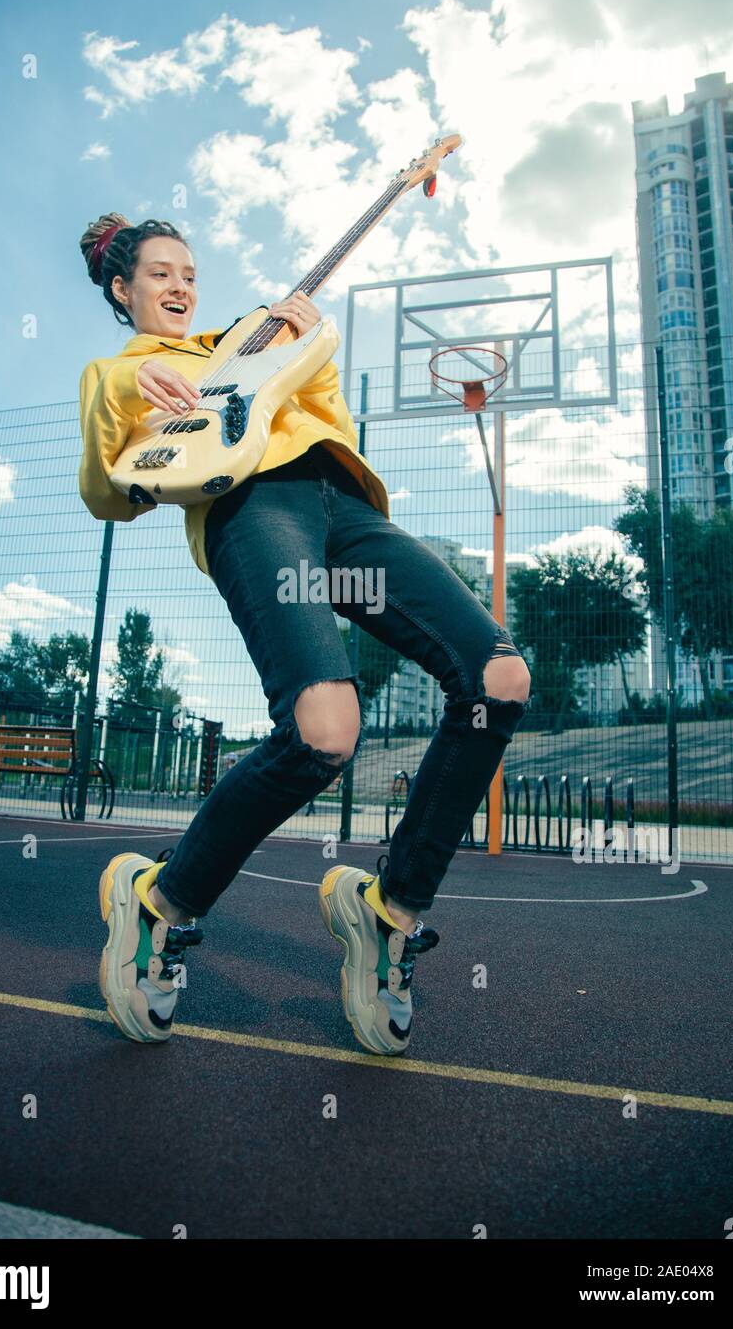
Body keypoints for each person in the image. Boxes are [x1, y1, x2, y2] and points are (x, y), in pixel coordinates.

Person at [79, 213, 532, 1057]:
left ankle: (390, 911)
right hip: (256, 514)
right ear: (123, 288)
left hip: (345, 510)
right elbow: (108, 490)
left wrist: (305, 345)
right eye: (159, 274)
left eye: (189, 272)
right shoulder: (121, 371)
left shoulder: (252, 340)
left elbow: (326, 424)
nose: (179, 287)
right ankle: (159, 904)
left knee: (499, 678)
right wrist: (131, 394)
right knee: (326, 732)